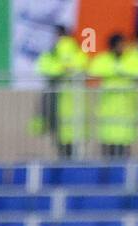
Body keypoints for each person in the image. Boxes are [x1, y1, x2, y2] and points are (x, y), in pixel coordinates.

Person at [87, 33, 138, 158]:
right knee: (107, 149)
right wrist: (118, 72)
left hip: (127, 109)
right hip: (107, 109)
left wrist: (118, 71)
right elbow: (92, 73)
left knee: (124, 148)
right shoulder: (102, 59)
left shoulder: (134, 57)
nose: (122, 47)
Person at [35, 28, 89, 157]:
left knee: (62, 138)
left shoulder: (55, 53)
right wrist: (65, 69)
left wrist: (61, 69)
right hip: (72, 102)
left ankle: (65, 163)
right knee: (70, 139)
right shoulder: (74, 52)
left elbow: (45, 67)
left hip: (62, 101)